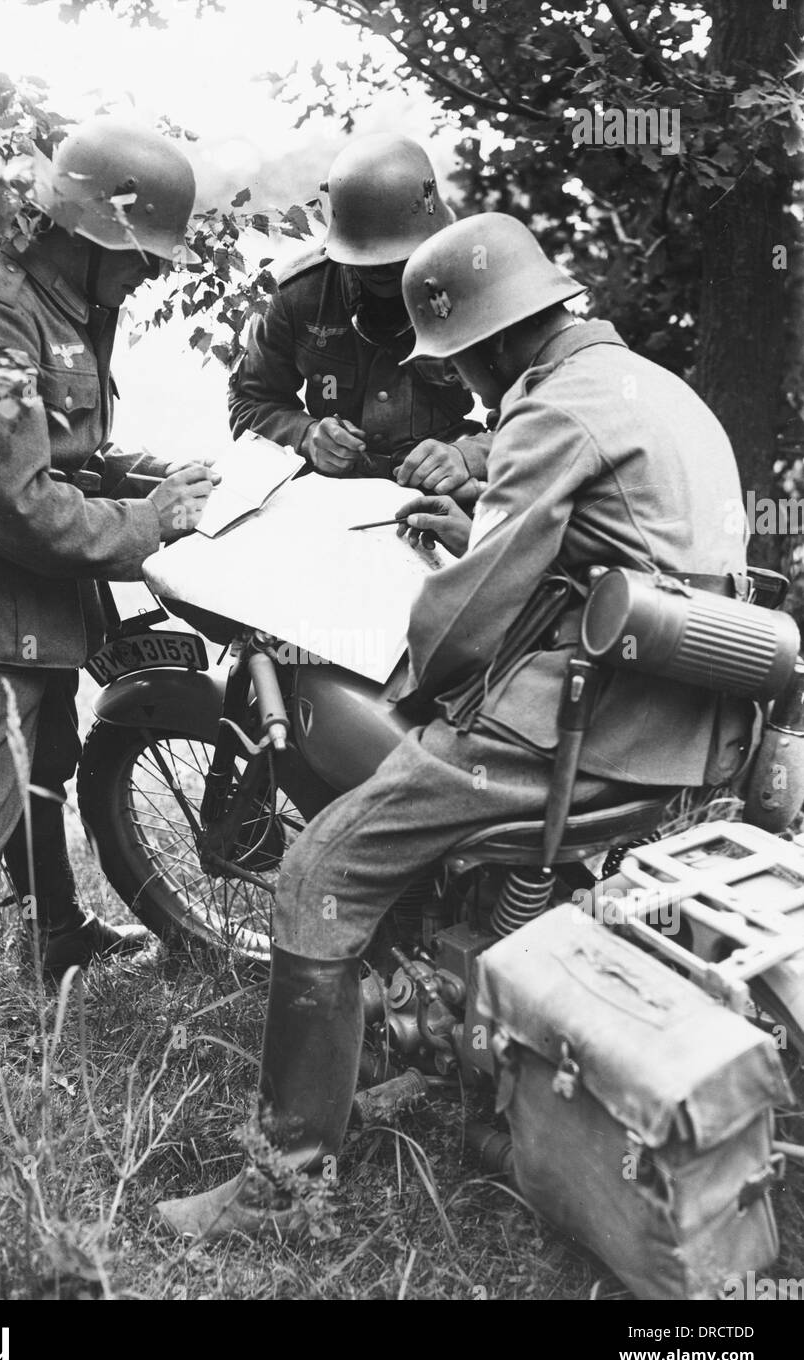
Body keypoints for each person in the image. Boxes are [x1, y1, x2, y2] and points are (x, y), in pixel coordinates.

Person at [157, 211, 750, 1240]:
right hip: (693, 733)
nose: (463, 383)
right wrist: (478, 527)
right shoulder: (653, 389)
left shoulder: (550, 413)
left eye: (460, 360)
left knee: (321, 871)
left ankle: (283, 1186)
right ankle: (399, 1038)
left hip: (577, 740)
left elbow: (467, 619)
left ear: (496, 338)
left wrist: (411, 673)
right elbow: (615, 549)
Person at [0, 116, 217, 1066]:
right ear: (88, 233)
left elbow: (69, 451)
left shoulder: (68, 301)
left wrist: (148, 479)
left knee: (45, 768)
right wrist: (148, 527)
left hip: (35, 606)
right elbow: (13, 501)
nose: (152, 275)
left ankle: (58, 932)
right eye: (141, 255)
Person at [228, 133, 492, 501]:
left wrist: (469, 456)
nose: (381, 267)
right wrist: (304, 435)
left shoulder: (476, 289)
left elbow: (535, 412)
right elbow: (250, 403)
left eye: (396, 253)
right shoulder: (296, 295)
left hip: (447, 495)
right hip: (335, 498)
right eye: (367, 254)